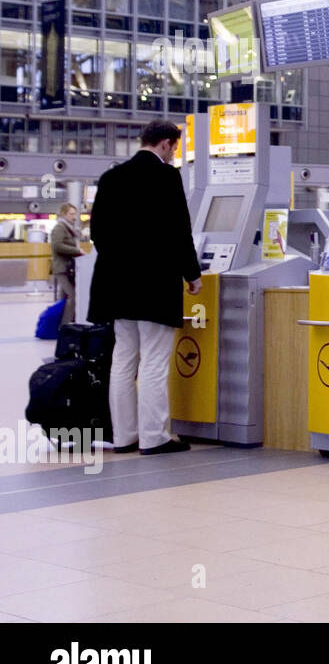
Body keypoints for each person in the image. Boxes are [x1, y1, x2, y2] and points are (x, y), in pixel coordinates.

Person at [88, 120, 202, 455]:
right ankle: (154, 437)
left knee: (123, 359)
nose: (174, 155)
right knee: (153, 360)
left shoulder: (112, 177)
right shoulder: (166, 177)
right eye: (174, 148)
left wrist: (118, 262)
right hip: (154, 285)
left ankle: (124, 436)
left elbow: (97, 232)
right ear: (166, 144)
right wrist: (192, 275)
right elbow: (180, 232)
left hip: (116, 286)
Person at [49, 202, 83, 327]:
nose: (74, 216)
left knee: (64, 297)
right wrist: (76, 251)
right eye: (71, 214)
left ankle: (62, 325)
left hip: (68, 268)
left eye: (75, 214)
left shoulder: (69, 228)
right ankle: (65, 326)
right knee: (72, 297)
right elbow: (57, 246)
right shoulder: (59, 227)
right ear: (64, 214)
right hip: (61, 268)